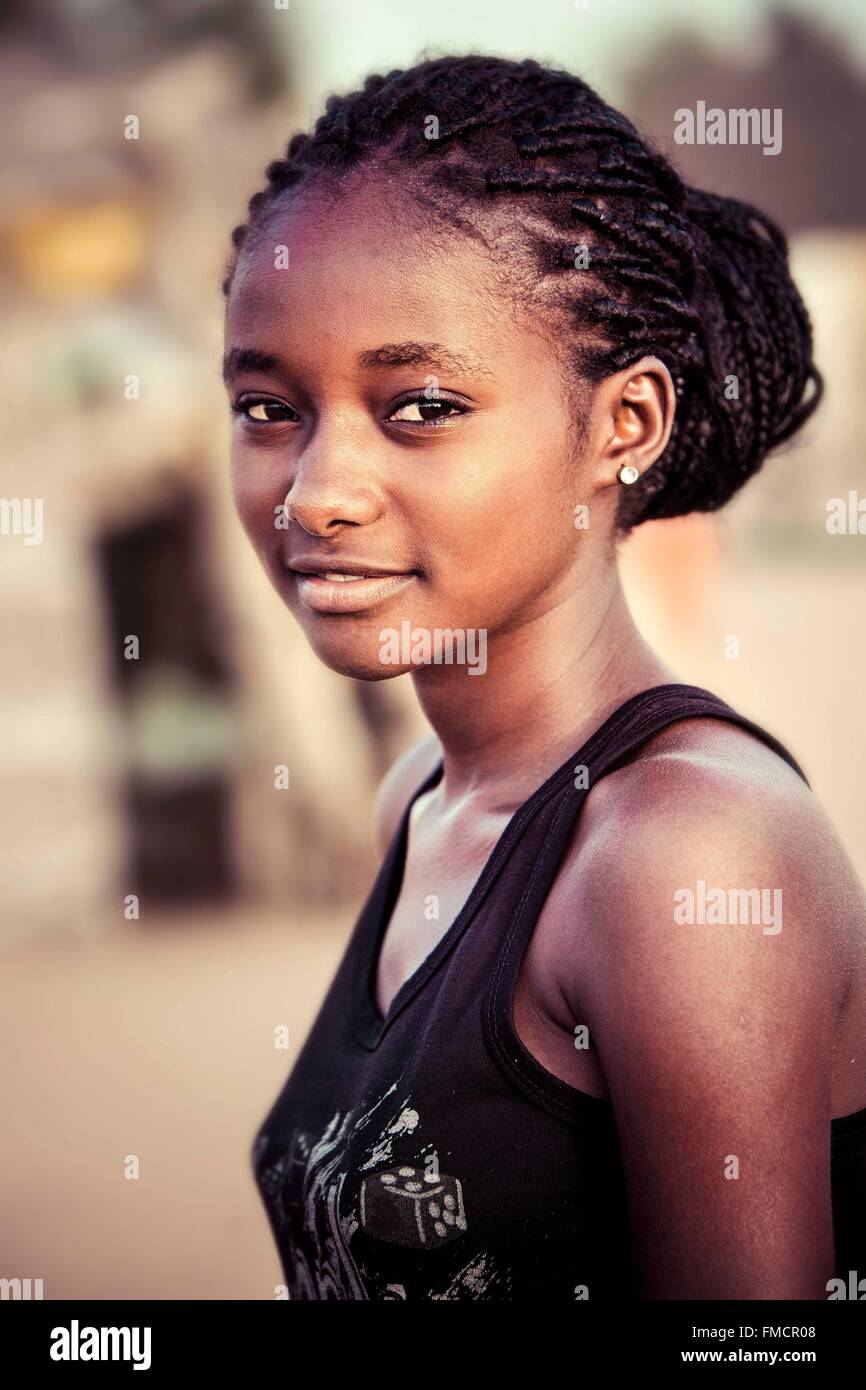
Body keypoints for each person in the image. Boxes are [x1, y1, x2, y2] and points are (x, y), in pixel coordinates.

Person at [222, 54, 866, 1300]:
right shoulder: (419, 800)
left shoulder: (682, 856)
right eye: (266, 406)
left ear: (621, 425)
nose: (315, 491)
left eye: (417, 403)